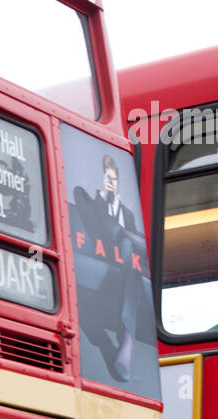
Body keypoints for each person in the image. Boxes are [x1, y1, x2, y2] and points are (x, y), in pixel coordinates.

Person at [73, 155, 146, 383]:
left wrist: (129, 235)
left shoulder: (129, 213)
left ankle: (125, 339)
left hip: (127, 260)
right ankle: (126, 338)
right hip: (101, 249)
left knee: (130, 258)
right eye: (108, 178)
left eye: (115, 179)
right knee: (126, 243)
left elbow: (139, 243)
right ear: (103, 179)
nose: (112, 182)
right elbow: (95, 226)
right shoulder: (89, 200)